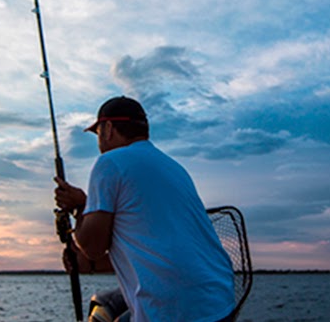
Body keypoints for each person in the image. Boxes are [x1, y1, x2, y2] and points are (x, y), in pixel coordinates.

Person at [54, 96, 236, 322]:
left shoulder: (109, 162)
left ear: (109, 129)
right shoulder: (173, 167)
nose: (99, 143)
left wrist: (79, 207)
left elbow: (92, 247)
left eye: (98, 133)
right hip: (220, 301)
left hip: (175, 310)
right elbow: (152, 250)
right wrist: (88, 263)